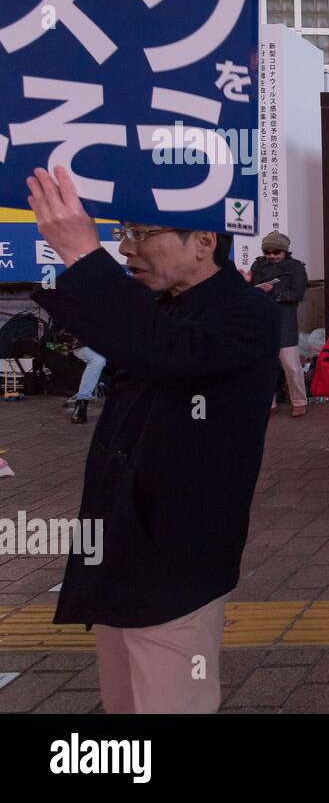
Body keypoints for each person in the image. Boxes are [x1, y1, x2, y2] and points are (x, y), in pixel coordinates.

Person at [25, 166, 280, 714]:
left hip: (176, 554)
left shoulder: (247, 311)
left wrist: (81, 256)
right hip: (119, 544)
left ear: (204, 241)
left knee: (171, 702)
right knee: (124, 706)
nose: (126, 249)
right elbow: (134, 335)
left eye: (141, 234)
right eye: (122, 234)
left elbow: (167, 351)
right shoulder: (166, 307)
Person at [249, 231, 310, 417]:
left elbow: (298, 294)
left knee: (291, 365)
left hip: (284, 320)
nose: (272, 256)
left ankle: (299, 401)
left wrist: (274, 292)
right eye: (268, 252)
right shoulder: (258, 264)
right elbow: (249, 288)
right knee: (262, 366)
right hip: (260, 320)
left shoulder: (295, 267)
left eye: (276, 252)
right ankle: (268, 402)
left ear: (285, 252)